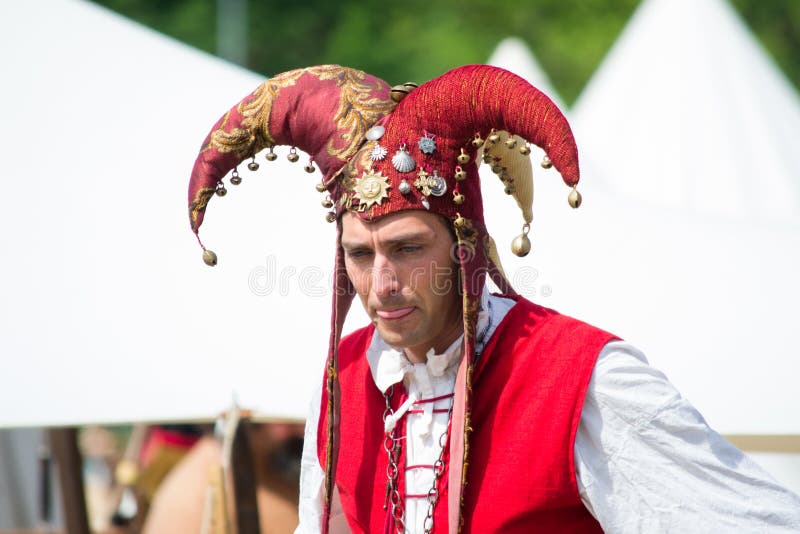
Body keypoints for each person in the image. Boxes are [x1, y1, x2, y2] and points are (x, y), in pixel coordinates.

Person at [187, 64, 800, 533]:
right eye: (360, 254)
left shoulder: (581, 378)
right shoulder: (345, 380)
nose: (381, 285)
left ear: (466, 247)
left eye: (406, 248)